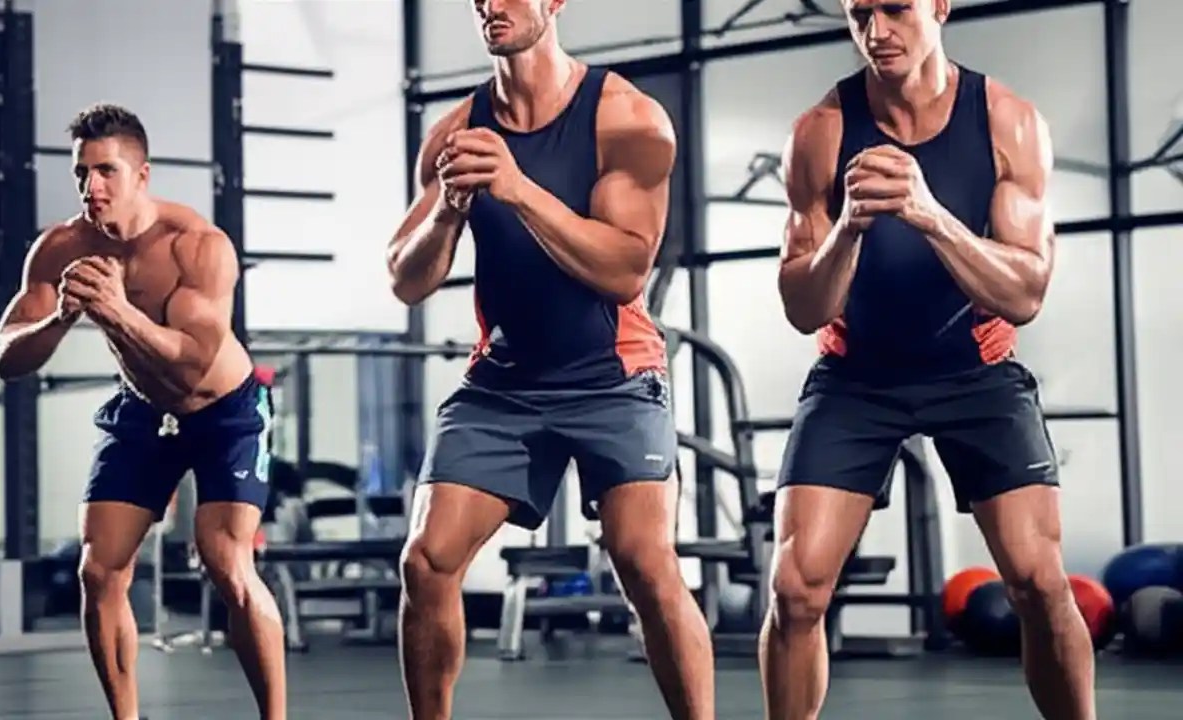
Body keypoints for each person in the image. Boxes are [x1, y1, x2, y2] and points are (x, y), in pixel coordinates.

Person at [766, 0, 1096, 718]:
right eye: (859, 13)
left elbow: (1026, 292)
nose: (876, 32)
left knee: (1040, 584)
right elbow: (803, 309)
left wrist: (927, 212)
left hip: (976, 371)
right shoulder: (820, 134)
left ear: (939, 5)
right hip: (856, 375)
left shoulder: (1006, 121)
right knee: (795, 589)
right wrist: (848, 230)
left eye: (894, 9)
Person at [386, 1, 713, 718]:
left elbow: (627, 268)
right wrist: (447, 207)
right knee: (426, 561)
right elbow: (406, 277)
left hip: (614, 376)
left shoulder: (627, 117)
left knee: (646, 563)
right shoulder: (454, 131)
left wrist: (518, 190)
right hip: (505, 381)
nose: (491, 7)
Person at [0, 103, 287, 720]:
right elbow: (7, 359)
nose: (91, 188)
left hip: (224, 410)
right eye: (81, 174)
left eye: (106, 172)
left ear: (142, 174)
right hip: (143, 410)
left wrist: (116, 310)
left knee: (226, 562)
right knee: (98, 571)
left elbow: (196, 361)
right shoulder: (61, 248)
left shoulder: (197, 245)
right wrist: (61, 316)